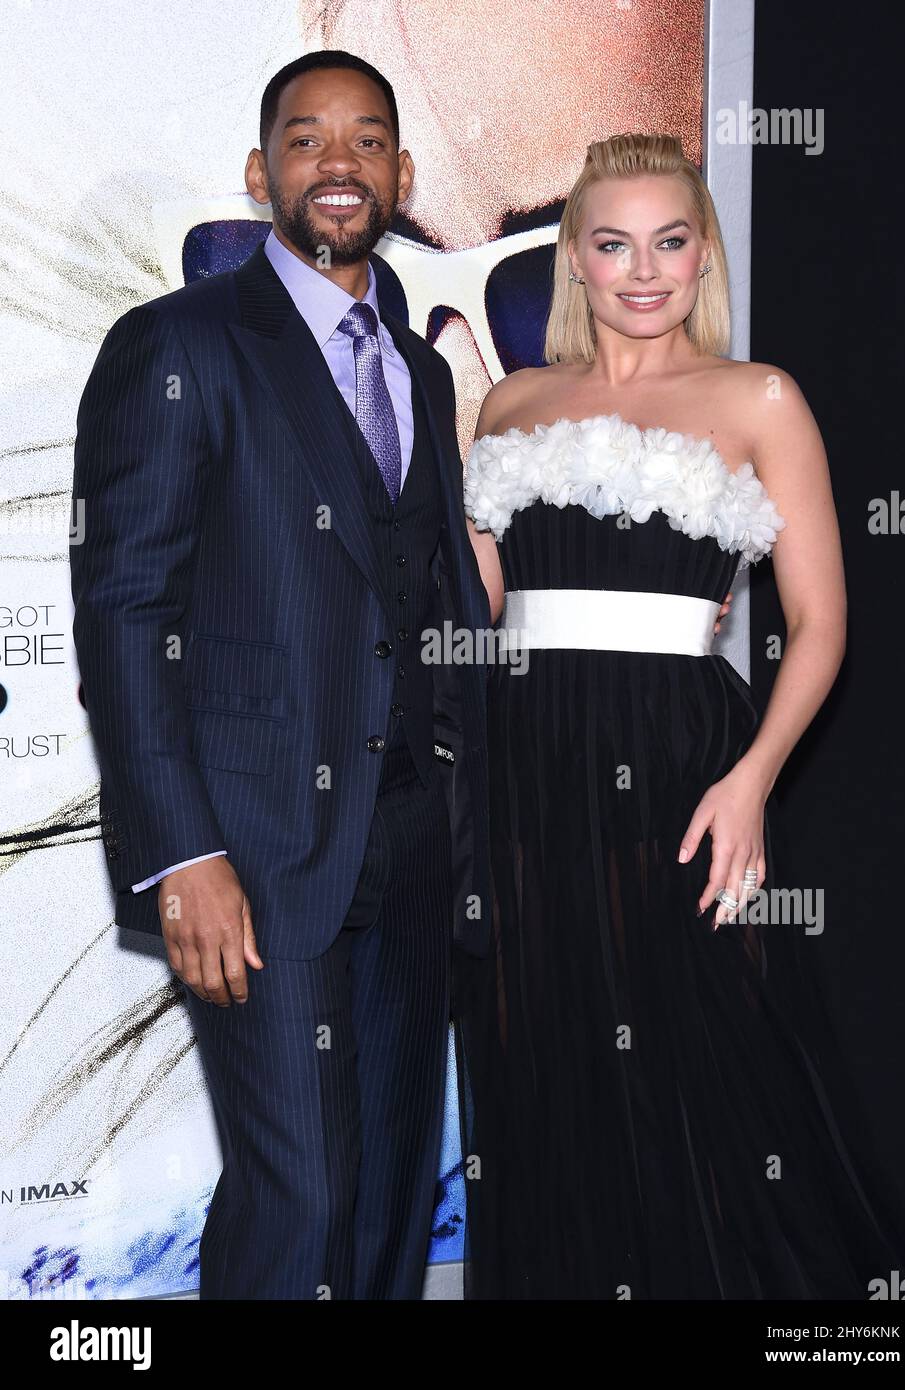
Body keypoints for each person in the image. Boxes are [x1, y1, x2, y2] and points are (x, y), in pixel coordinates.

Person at [453, 132, 905, 1299]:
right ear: (572, 258)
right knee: (544, 1063)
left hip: (680, 762)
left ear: (703, 250)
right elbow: (477, 605)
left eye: (669, 241)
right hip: (521, 770)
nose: (643, 271)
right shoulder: (510, 404)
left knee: (711, 1063)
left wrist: (754, 776)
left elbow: (817, 621)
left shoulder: (757, 396)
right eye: (612, 244)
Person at [69, 50, 493, 1300]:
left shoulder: (416, 368)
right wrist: (179, 850)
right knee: (300, 1195)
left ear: (402, 176)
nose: (338, 162)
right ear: (261, 174)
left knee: (382, 1199)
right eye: (306, 140)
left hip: (412, 843)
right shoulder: (174, 343)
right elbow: (125, 612)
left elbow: (424, 600)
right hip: (252, 853)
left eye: (366, 140)